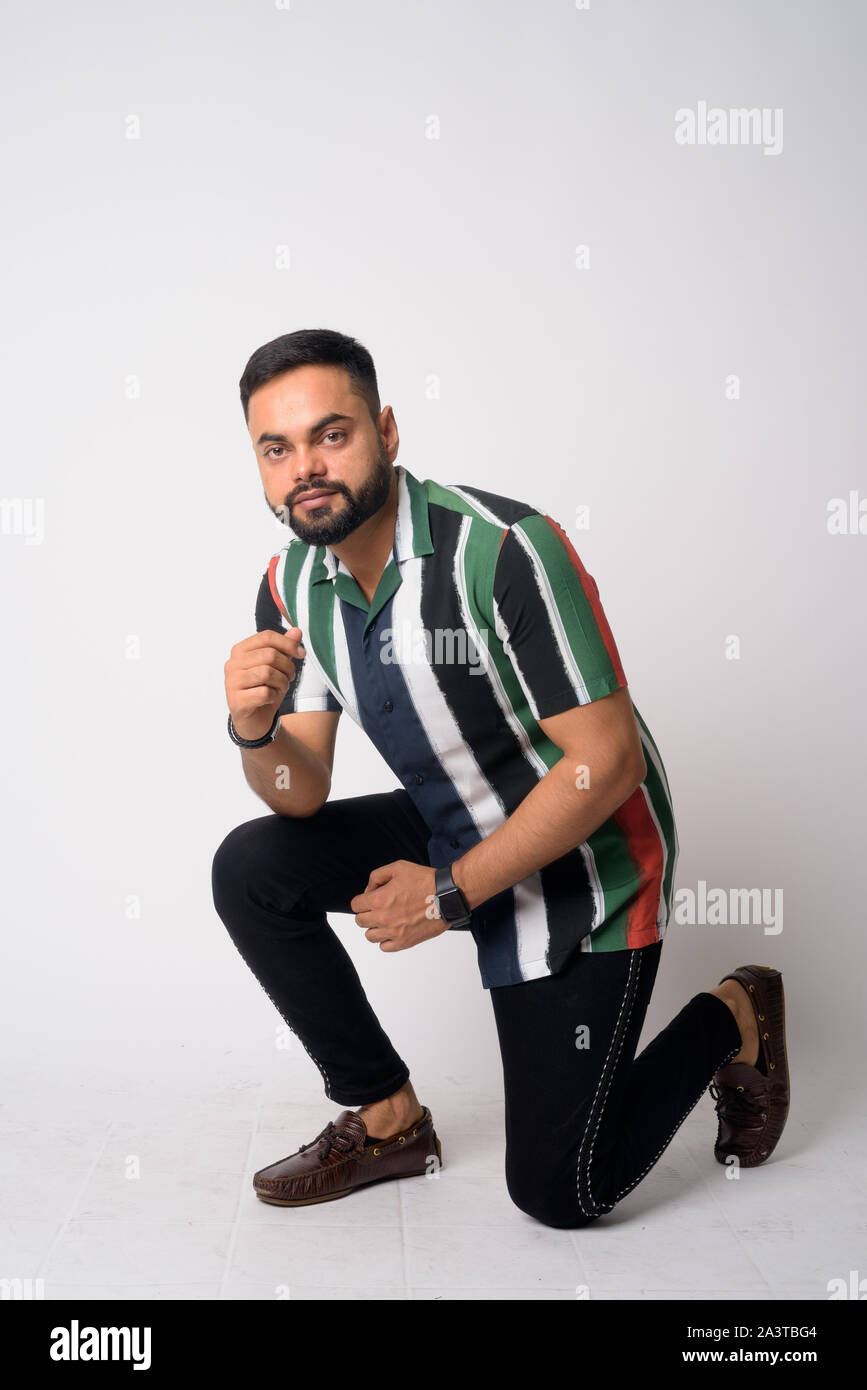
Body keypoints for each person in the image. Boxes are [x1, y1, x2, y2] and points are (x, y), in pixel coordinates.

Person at [210, 328, 790, 1226]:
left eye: (333, 434)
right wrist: (252, 733)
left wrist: (448, 894)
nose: (305, 469)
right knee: (252, 867)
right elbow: (304, 794)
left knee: (561, 1193)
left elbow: (607, 764)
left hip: (586, 858)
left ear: (387, 432)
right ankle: (387, 1122)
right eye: (276, 448)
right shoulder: (291, 584)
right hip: (457, 813)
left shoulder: (504, 548)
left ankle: (733, 1011)